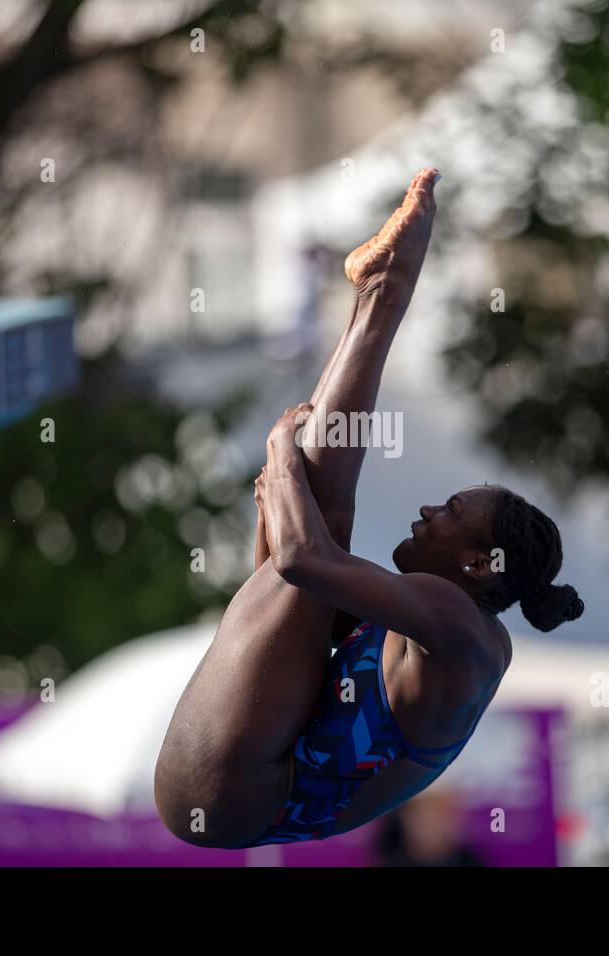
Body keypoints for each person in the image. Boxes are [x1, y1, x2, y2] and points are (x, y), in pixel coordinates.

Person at [154, 168, 583, 848]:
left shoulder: (460, 628)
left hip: (232, 791)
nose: (425, 511)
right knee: (322, 531)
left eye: (448, 511)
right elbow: (285, 574)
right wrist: (281, 478)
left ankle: (385, 296)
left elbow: (298, 563)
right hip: (236, 780)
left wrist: (281, 454)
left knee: (320, 533)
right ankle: (376, 298)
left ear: (477, 562)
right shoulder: (439, 624)